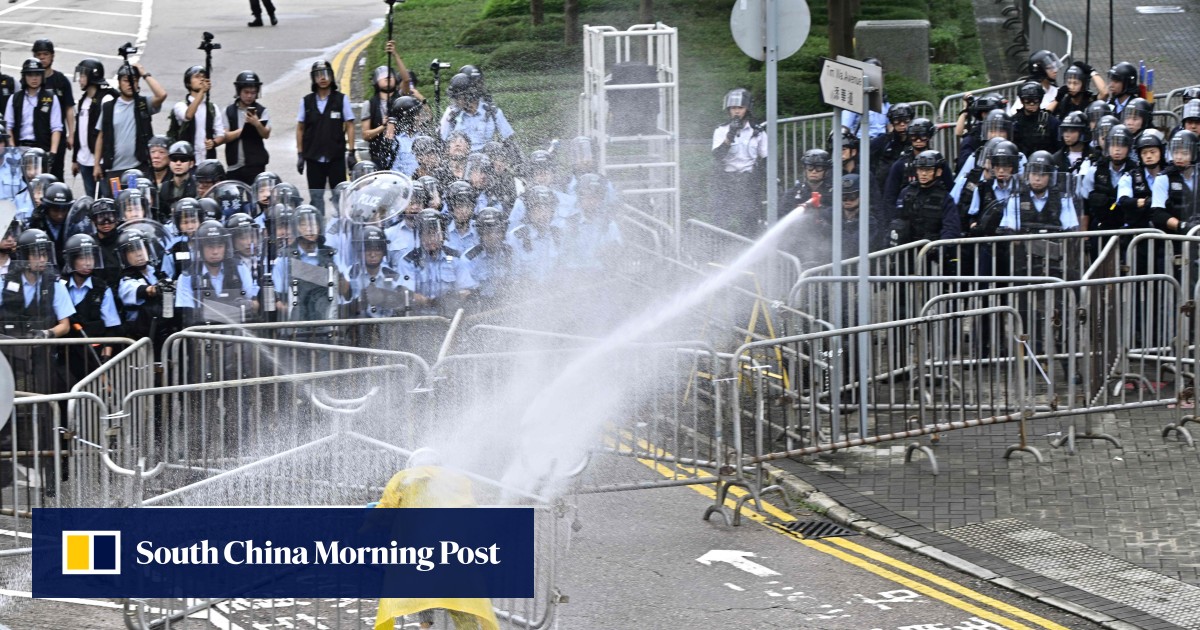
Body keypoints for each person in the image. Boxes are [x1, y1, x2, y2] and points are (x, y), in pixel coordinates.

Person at [373, 448, 501, 630]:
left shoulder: (404, 479)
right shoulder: (455, 480)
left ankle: (425, 626)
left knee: (423, 593)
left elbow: (385, 509)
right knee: (460, 600)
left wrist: (366, 525)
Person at [93, 63, 167, 198]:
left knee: (136, 204)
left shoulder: (143, 104)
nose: (130, 84)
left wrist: (144, 73)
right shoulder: (109, 107)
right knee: (117, 205)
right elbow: (101, 136)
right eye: (126, 81)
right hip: (114, 171)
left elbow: (162, 94)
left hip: (137, 170)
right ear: (119, 83)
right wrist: (97, 164)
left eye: (134, 81)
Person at [59, 233, 120, 380]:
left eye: (91, 257)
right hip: (65, 357)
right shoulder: (60, 286)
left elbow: (111, 328)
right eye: (82, 258)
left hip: (93, 358)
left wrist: (105, 358)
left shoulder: (102, 289)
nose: (88, 263)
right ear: (72, 261)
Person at [296, 61, 355, 213]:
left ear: (332, 77)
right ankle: (318, 232)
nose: (323, 78)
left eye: (326, 74)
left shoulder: (341, 100)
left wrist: (351, 152)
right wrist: (300, 154)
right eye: (318, 75)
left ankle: (341, 229)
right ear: (313, 78)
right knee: (316, 198)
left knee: (339, 197)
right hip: (313, 159)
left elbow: (350, 125)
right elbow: (300, 128)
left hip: (335, 158)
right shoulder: (306, 102)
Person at [175, 220, 259, 326]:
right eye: (210, 247)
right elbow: (188, 316)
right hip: (202, 335)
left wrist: (248, 304)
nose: (215, 252)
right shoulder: (187, 277)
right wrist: (232, 309)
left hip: (237, 334)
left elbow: (254, 304)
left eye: (220, 246)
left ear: (226, 247)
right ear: (201, 248)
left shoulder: (240, 268)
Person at [399, 209, 476, 316]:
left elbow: (466, 290)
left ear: (443, 235)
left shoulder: (455, 257)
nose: (431, 239)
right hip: (419, 320)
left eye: (435, 233)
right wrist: (433, 302)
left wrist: (452, 298)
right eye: (426, 234)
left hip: (450, 317)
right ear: (420, 236)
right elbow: (409, 294)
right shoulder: (409, 260)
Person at [0, 228, 73, 340]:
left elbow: (65, 326)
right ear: (24, 256)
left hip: (43, 352)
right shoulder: (4, 282)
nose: (42, 260)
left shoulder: (55, 284)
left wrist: (46, 333)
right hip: (10, 351)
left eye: (44, 255)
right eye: (36, 255)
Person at [711, 88, 766, 235]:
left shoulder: (758, 132)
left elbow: (765, 157)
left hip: (748, 179)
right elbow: (717, 155)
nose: (736, 111)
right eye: (733, 108)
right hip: (727, 179)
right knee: (721, 219)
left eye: (740, 108)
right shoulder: (721, 130)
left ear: (747, 109)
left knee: (749, 217)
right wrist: (730, 136)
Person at [888, 150, 960, 245]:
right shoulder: (906, 192)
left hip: (932, 253)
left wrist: (939, 249)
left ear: (938, 172)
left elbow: (951, 229)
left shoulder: (945, 198)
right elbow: (896, 219)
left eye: (928, 170)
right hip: (906, 251)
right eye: (920, 169)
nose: (923, 174)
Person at [1000, 150, 1078, 234]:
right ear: (1028, 175)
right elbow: (1011, 230)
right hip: (1024, 245)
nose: (1037, 179)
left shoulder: (1063, 199)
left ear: (1050, 176)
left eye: (1042, 174)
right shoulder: (1016, 199)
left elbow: (1070, 230)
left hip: (1054, 245)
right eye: (1034, 173)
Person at [4, 59, 62, 171]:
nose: (34, 78)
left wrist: (52, 152)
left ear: (42, 76)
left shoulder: (51, 98)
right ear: (24, 76)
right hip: (20, 149)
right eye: (30, 75)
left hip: (42, 150)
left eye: (37, 74)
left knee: (40, 185)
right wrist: (12, 149)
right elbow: (8, 126)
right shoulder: (15, 98)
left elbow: (56, 128)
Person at [72, 59, 117, 197]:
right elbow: (79, 130)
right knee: (91, 199)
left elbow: (105, 133)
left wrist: (98, 163)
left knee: (108, 197)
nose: (80, 80)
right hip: (84, 159)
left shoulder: (106, 99)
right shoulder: (83, 100)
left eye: (83, 76)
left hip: (101, 162)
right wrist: (75, 159)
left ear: (93, 76)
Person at [439, 72, 515, 152]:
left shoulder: (493, 113)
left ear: (468, 96)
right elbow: (442, 141)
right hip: (461, 159)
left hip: (487, 158)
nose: (455, 101)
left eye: (457, 98)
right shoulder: (452, 115)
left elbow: (509, 140)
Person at [1080, 124, 1135, 232]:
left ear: (1128, 148)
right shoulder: (1095, 170)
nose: (1117, 150)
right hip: (1100, 228)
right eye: (1113, 145)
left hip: (1127, 229)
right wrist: (1084, 234)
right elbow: (1084, 203)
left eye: (1122, 146)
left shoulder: (1135, 171)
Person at [32, 40, 73, 181]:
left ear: (52, 56)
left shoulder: (61, 80)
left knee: (56, 176)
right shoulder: (30, 80)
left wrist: (71, 134)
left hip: (57, 136)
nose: (42, 58)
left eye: (45, 54)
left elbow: (69, 108)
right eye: (38, 55)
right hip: (36, 137)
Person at [347, 225, 407, 318]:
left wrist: (384, 297)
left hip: (386, 327)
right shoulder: (350, 274)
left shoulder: (392, 276)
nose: (372, 254)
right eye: (368, 250)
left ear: (384, 252)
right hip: (357, 326)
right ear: (359, 252)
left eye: (377, 249)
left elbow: (404, 303)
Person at [224, 71, 272, 185]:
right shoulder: (228, 111)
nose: (249, 96)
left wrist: (257, 124)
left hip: (255, 165)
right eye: (246, 92)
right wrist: (243, 131)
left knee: (256, 197)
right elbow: (224, 136)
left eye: (253, 93)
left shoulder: (262, 111)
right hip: (234, 165)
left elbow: (266, 134)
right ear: (239, 91)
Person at [169, 66, 225, 163]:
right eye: (197, 77)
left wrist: (213, 142)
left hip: (207, 160)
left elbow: (221, 134)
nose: (201, 79)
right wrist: (202, 92)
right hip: (186, 161)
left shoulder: (212, 108)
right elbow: (188, 116)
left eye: (203, 76)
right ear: (188, 83)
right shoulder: (180, 105)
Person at [965, 141, 1021, 237]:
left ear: (1013, 167)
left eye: (1005, 166)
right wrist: (975, 227)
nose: (1001, 170)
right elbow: (972, 216)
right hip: (988, 242)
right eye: (997, 166)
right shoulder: (982, 188)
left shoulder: (1021, 188)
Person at [507, 186, 560, 284]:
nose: (543, 214)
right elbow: (513, 276)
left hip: (553, 292)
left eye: (547, 209)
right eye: (538, 209)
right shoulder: (517, 237)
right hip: (526, 293)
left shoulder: (557, 235)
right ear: (529, 212)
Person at [1117, 129, 1169, 230]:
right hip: (1137, 232)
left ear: (1161, 152)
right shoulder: (1129, 176)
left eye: (1152, 152)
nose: (1148, 156)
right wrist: (1145, 202)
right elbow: (1123, 200)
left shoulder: (1169, 175)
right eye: (1144, 153)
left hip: (1165, 231)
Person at [465, 207, 515, 304]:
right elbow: (465, 294)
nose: (492, 237)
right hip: (478, 309)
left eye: (497, 232)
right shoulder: (469, 258)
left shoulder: (509, 254)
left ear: (503, 233)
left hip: (505, 305)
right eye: (488, 233)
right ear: (481, 235)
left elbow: (516, 281)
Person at [1159, 131, 1198, 234]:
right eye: (1176, 152)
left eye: (1184, 153)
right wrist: (1182, 226)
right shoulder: (1163, 178)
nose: (1179, 157)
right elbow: (1158, 214)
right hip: (1174, 237)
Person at [1011, 81, 1061, 157]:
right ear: (1022, 101)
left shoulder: (1051, 121)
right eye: (1028, 100)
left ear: (1040, 100)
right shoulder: (1014, 121)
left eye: (1035, 100)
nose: (1032, 104)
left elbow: (1059, 148)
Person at [160, 141, 197, 213]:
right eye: (174, 159)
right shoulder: (162, 188)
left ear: (191, 163)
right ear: (169, 163)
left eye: (183, 159)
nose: (178, 163)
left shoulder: (198, 187)